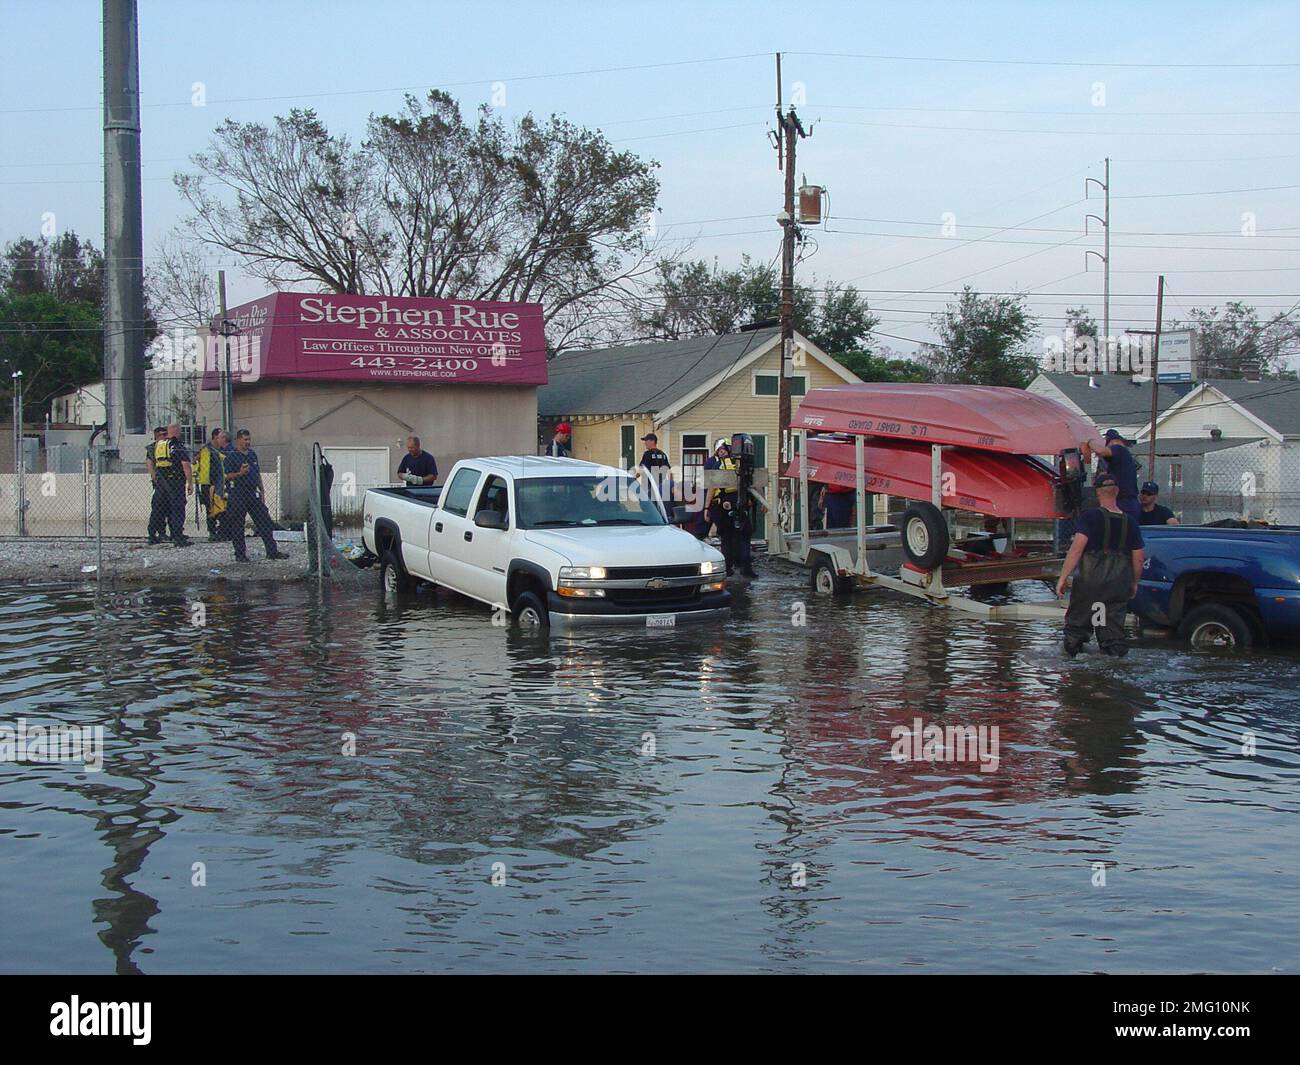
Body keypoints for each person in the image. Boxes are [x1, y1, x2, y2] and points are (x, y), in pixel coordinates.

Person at [1055, 472, 1146, 657]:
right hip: (1118, 584)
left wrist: (1063, 578)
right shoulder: (1131, 523)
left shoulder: (1090, 517)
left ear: (1097, 493)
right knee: (1112, 634)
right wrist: (1135, 582)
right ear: (1117, 491)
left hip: (1090, 583)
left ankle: (1073, 665)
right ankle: (1113, 660)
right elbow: (1138, 558)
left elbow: (1076, 549)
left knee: (1077, 630)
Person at [223, 429, 288, 562]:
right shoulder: (231, 456)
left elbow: (257, 474)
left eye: (249, 439)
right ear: (239, 440)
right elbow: (226, 476)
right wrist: (240, 473)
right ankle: (240, 554)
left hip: (252, 493)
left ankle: (272, 551)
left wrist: (262, 491)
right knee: (237, 524)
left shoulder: (252, 455)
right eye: (245, 440)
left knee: (264, 521)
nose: (248, 442)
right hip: (238, 493)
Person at [705, 438, 757, 578]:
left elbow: (712, 488)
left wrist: (706, 508)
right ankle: (745, 568)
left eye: (721, 450)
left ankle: (727, 569)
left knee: (726, 538)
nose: (720, 453)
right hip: (742, 502)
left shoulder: (718, 465)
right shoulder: (743, 464)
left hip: (723, 504)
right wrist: (759, 501)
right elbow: (755, 482)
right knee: (744, 536)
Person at [1082, 428, 1140, 523]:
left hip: (1124, 502)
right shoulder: (1122, 460)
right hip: (1127, 502)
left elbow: (1102, 451)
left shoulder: (1118, 449)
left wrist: (1089, 442)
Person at [153, 423, 193, 546]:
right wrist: (190, 482)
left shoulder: (160, 445)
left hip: (162, 482)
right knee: (177, 509)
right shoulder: (178, 446)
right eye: (180, 430)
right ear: (176, 431)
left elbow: (153, 462)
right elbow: (185, 465)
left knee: (160, 509)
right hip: (176, 481)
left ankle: (152, 534)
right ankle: (177, 536)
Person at [194, 427, 227, 540]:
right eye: (222, 437)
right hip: (209, 485)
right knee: (211, 510)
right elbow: (196, 462)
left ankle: (223, 532)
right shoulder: (207, 450)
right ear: (215, 437)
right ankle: (213, 532)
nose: (224, 440)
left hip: (221, 484)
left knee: (223, 509)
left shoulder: (223, 450)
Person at [145, 426, 168, 544]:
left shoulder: (169, 447)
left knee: (167, 509)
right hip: (160, 482)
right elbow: (149, 463)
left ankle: (163, 532)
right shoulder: (152, 449)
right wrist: (154, 478)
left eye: (166, 434)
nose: (164, 437)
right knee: (157, 509)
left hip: (170, 482)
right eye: (161, 435)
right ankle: (153, 533)